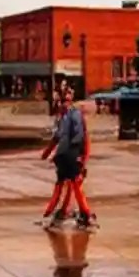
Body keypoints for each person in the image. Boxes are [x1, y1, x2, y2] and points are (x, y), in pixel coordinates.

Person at [40, 89, 96, 229]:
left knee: (73, 185)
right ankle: (60, 212)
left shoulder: (73, 115)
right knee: (65, 185)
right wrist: (49, 153)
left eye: (64, 101)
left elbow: (78, 137)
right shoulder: (63, 117)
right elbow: (58, 137)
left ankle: (81, 213)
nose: (62, 104)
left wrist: (78, 156)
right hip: (65, 156)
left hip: (70, 155)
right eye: (60, 101)